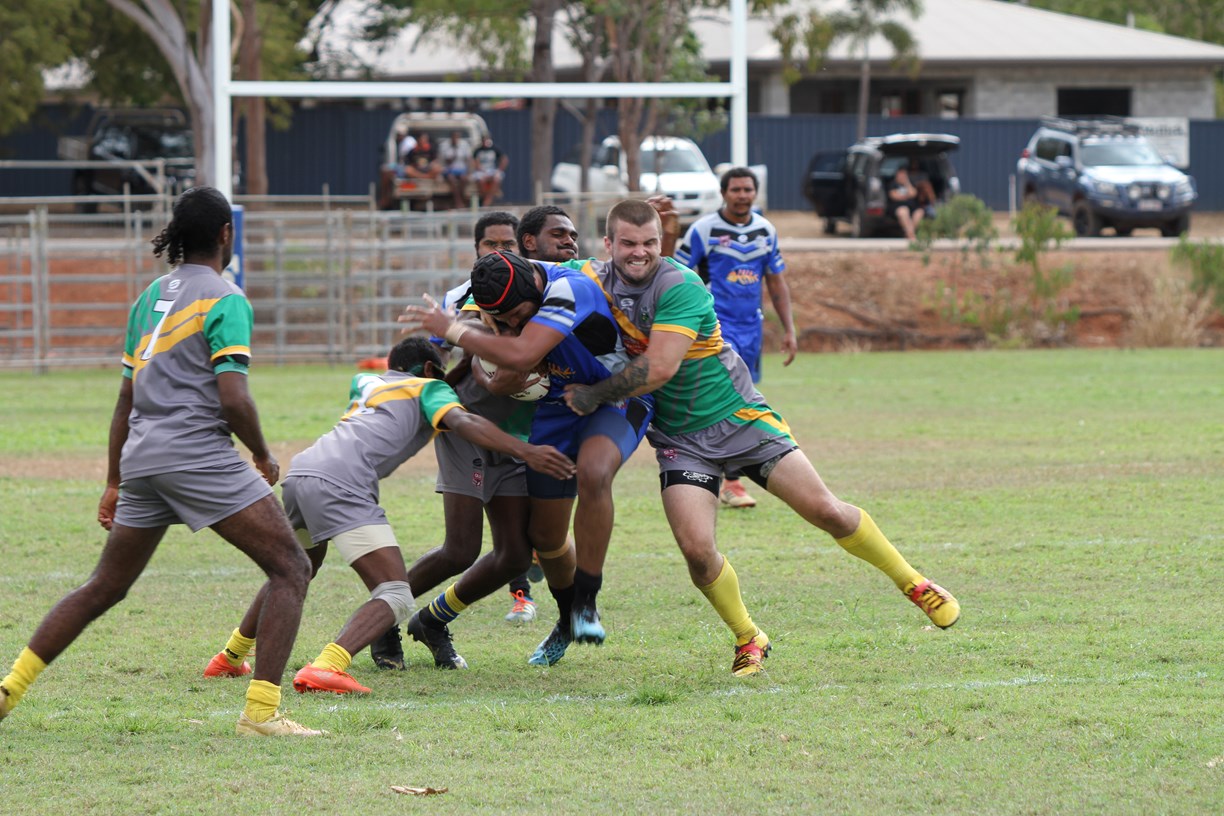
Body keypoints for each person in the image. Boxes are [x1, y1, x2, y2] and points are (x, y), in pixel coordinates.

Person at [561, 198, 961, 676]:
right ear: (608, 244)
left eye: (650, 242)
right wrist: (466, 311)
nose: (640, 252)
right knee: (696, 552)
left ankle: (914, 583)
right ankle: (749, 637)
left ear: (662, 243)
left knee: (826, 511)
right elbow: (530, 277)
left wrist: (592, 396)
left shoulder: (680, 284)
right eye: (628, 243)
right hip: (682, 442)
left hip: (741, 418)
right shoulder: (587, 277)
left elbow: (659, 368)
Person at [0, 187, 321, 736]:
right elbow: (233, 397)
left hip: (143, 456)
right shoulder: (225, 298)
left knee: (104, 585)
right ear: (226, 233)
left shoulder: (149, 297)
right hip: (195, 454)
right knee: (292, 566)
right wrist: (263, 454)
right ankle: (261, 715)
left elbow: (126, 398)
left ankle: (8, 690)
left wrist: (113, 480)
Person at [205, 336, 575, 692]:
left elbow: (419, 388)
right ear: (431, 368)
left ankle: (230, 657)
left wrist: (458, 366)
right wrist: (526, 452)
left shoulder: (365, 381)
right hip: (341, 485)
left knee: (292, 570)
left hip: (302, 475)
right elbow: (466, 422)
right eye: (440, 371)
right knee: (396, 593)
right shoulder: (431, 390)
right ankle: (327, 666)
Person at [399, 246, 652, 669]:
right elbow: (427, 355)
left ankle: (585, 601)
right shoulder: (466, 296)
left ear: (532, 280)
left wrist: (471, 341)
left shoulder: (567, 288)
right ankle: (569, 618)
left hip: (611, 398)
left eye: (519, 314)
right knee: (543, 537)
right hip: (551, 410)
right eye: (505, 318)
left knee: (592, 472)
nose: (514, 323)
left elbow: (518, 356)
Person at [676, 167, 797, 510]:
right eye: (736, 189)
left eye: (748, 189)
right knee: (726, 400)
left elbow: (776, 282)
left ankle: (724, 476)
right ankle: (728, 480)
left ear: (754, 193)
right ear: (724, 193)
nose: (742, 195)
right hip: (715, 327)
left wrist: (789, 329)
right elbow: (678, 274)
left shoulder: (765, 230)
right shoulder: (704, 229)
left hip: (750, 328)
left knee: (745, 399)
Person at [888, 166, 924, 241]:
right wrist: (907, 196)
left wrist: (907, 183)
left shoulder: (909, 183)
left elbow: (913, 193)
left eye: (904, 175)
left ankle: (909, 234)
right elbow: (894, 195)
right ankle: (911, 236)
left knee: (919, 212)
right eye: (901, 174)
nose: (902, 176)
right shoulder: (893, 184)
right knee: (904, 211)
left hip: (912, 207)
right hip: (898, 207)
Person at [439, 130, 474, 208]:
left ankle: (462, 198)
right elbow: (445, 161)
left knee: (463, 179)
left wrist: (469, 171)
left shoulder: (464, 145)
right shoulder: (445, 146)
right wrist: (454, 155)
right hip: (449, 169)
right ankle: (458, 201)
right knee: (451, 179)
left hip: (461, 169)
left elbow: (468, 159)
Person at [472, 136, 509, 206]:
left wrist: (500, 169)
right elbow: (475, 162)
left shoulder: (495, 149)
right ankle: (485, 198)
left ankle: (488, 199)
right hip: (481, 171)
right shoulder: (478, 150)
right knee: (480, 180)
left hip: (492, 170)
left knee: (497, 178)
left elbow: (504, 159)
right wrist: (481, 170)